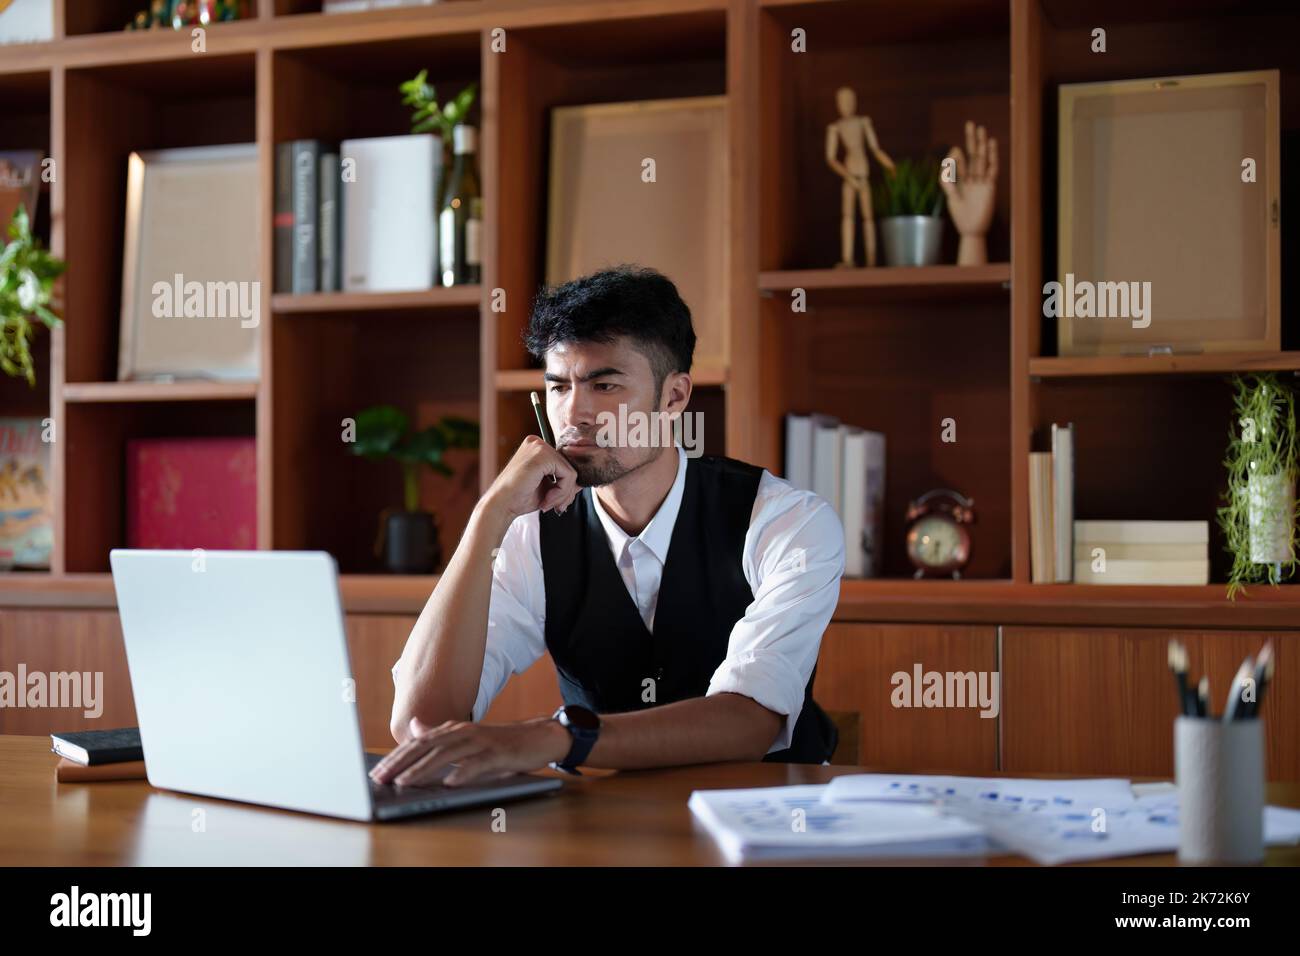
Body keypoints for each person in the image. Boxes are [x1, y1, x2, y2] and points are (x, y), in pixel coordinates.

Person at [371, 265, 844, 789]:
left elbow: (748, 721)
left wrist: (559, 737)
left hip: (762, 821)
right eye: (557, 387)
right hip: (598, 824)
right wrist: (487, 520)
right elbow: (422, 722)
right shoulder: (533, 532)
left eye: (605, 384)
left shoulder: (787, 523)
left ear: (674, 398)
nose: (574, 413)